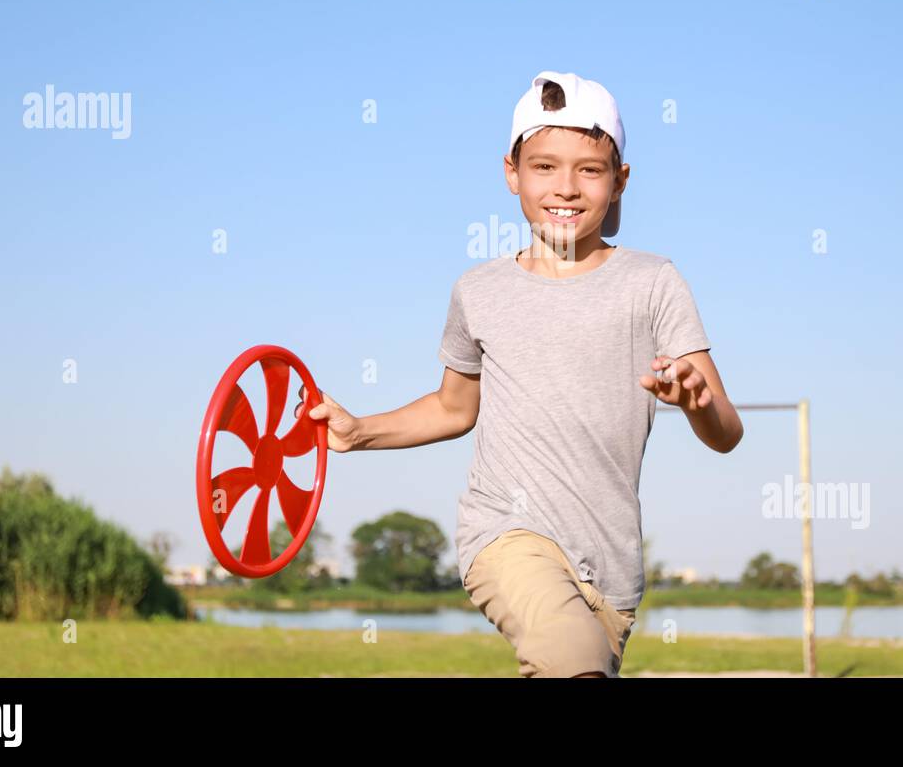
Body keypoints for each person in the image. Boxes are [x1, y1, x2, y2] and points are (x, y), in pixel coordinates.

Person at [295, 70, 743, 677]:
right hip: (506, 534)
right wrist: (358, 432)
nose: (566, 187)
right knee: (573, 666)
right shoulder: (478, 292)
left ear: (620, 181)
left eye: (589, 169)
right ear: (512, 172)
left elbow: (726, 433)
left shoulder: (653, 282)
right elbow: (455, 408)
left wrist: (694, 402)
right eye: (544, 166)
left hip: (610, 572)